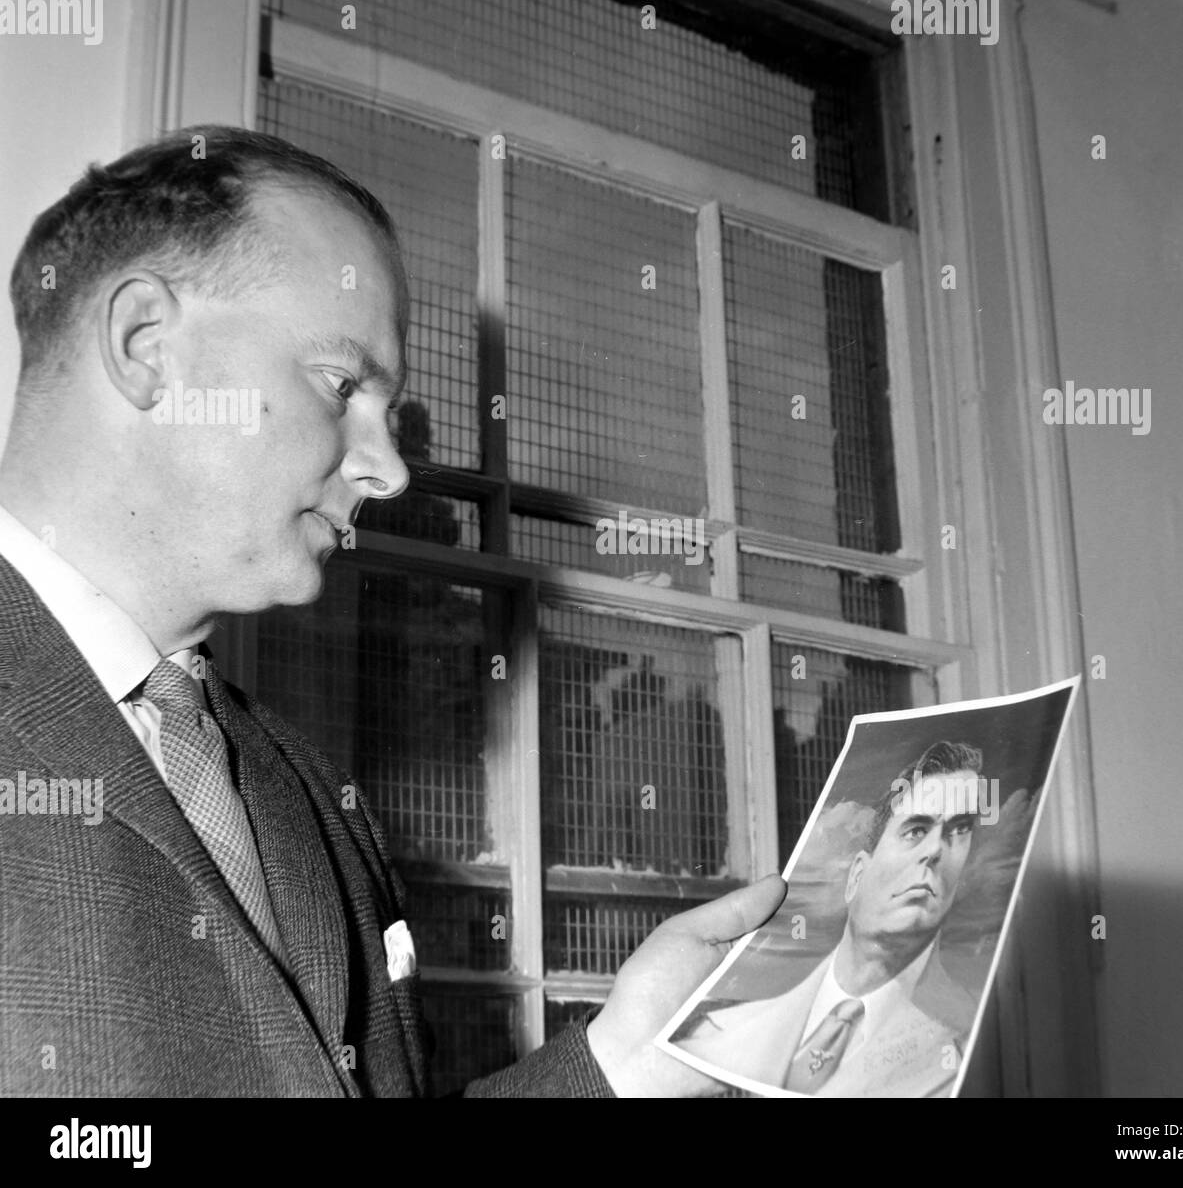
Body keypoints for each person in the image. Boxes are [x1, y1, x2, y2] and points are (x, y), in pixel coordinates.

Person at [0, 125, 785, 1097]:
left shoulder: (303, 785)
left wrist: (625, 1060)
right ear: (147, 345)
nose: (390, 467)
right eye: (340, 385)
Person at [676, 741, 982, 1096]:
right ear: (856, 876)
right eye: (915, 830)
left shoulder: (968, 1052)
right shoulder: (713, 1026)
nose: (934, 850)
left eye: (958, 832)